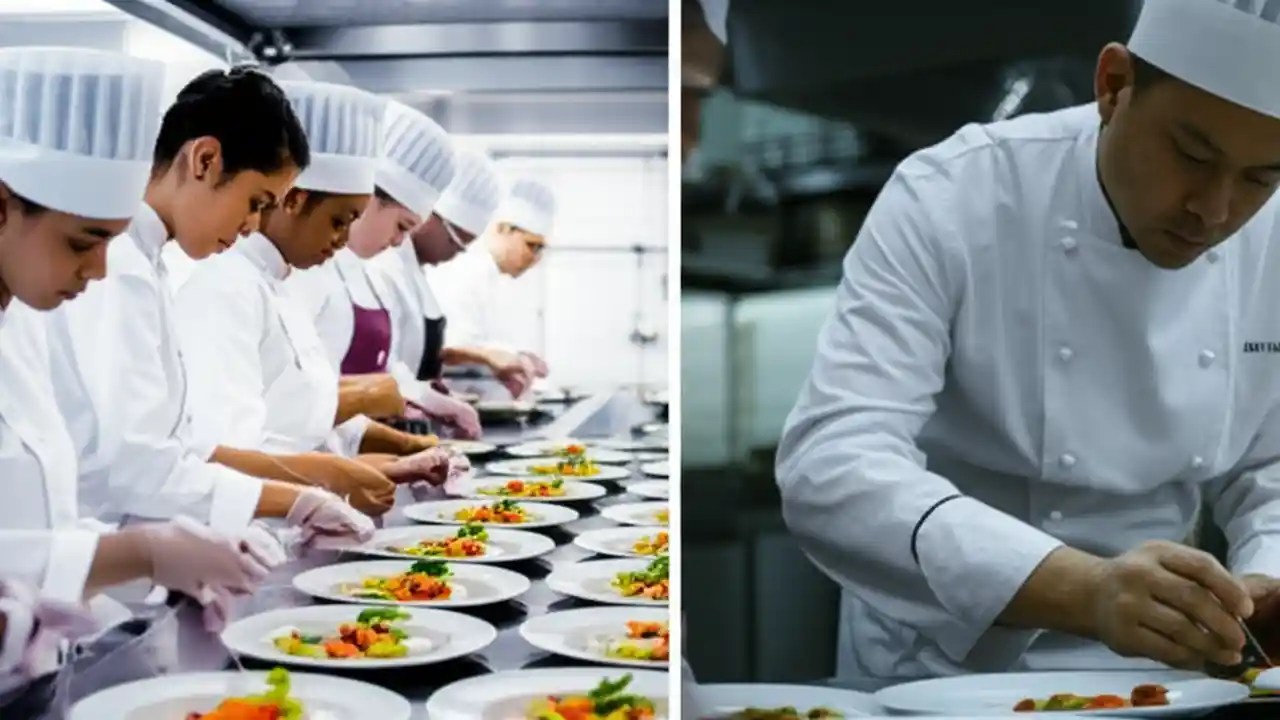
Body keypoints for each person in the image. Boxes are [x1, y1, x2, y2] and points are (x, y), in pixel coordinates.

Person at [777, 0, 1280, 684]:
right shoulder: (953, 196)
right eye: (1191, 154)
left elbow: (1268, 467)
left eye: (1262, 177)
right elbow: (832, 463)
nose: (1214, 210)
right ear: (1112, 85)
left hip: (1169, 678)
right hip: (939, 675)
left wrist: (1261, 585)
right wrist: (1087, 590)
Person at [0, 46, 280, 712]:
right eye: (81, 241)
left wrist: (144, 567)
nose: (98, 270)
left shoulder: (19, 328)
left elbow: (51, 512)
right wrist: (144, 551)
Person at [19, 66, 387, 542]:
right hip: (108, 560)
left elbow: (179, 448)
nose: (254, 225)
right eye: (256, 202)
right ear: (205, 160)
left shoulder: (152, 263)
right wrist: (294, 498)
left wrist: (310, 481)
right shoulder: (124, 269)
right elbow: (136, 468)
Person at [173, 79, 462, 485]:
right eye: (338, 221)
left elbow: (302, 412)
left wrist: (404, 452)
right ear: (292, 199)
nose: (343, 240)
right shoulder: (226, 286)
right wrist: (345, 475)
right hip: (261, 523)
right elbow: (231, 451)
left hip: (297, 521)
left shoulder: (283, 283)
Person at [289, 99, 481, 439]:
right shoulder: (304, 269)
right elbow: (296, 403)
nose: (398, 242)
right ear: (369, 200)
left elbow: (382, 370)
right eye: (401, 226)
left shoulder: (368, 269)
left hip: (349, 460)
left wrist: (426, 401)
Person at [371, 149, 535, 399]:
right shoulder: (384, 262)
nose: (455, 255)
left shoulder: (414, 271)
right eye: (454, 243)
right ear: (430, 218)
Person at [423, 175, 557, 392]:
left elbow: (481, 342)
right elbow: (445, 349)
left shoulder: (494, 278)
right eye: (532, 246)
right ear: (504, 229)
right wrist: (493, 357)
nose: (535, 258)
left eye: (541, 249)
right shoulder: (464, 268)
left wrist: (518, 356)